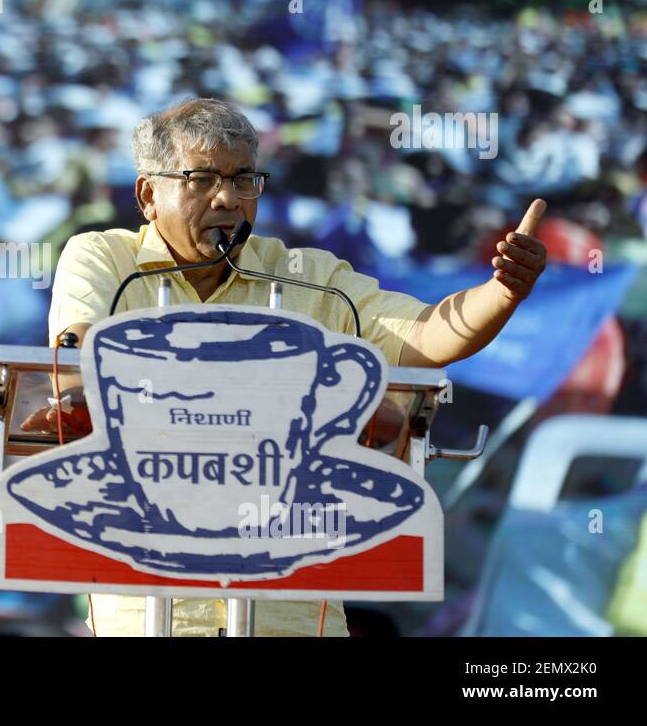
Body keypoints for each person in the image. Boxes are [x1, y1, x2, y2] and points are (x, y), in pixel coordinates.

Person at [34, 97, 549, 637]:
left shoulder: (310, 278)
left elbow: (426, 337)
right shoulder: (103, 258)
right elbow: (82, 354)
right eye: (202, 179)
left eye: (243, 179)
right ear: (147, 194)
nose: (228, 198)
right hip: (150, 610)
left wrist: (503, 292)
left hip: (292, 614)